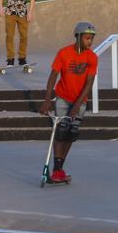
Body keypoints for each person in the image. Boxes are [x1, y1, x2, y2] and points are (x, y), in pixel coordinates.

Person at [38, 22, 99, 184]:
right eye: (87, 38)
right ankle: (57, 170)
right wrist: (46, 101)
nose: (90, 42)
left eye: (92, 39)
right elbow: (53, 77)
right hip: (63, 97)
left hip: (80, 100)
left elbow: (89, 84)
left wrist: (77, 106)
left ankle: (59, 169)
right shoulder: (64, 53)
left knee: (72, 134)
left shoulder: (92, 57)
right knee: (61, 132)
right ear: (78, 37)